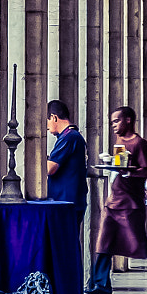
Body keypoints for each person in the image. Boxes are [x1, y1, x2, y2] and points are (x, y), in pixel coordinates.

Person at [87, 105, 147, 294]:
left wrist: (128, 170)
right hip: (114, 200)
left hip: (131, 203)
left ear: (128, 120)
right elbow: (121, 166)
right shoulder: (119, 141)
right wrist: (114, 164)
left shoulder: (140, 143)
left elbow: (145, 171)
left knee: (139, 244)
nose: (113, 125)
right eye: (112, 121)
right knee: (104, 242)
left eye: (116, 121)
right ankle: (101, 283)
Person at [46, 100, 88, 270]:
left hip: (67, 202)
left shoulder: (69, 137)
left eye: (47, 121)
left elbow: (50, 168)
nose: (47, 127)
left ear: (54, 117)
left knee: (67, 246)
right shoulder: (71, 137)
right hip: (68, 201)